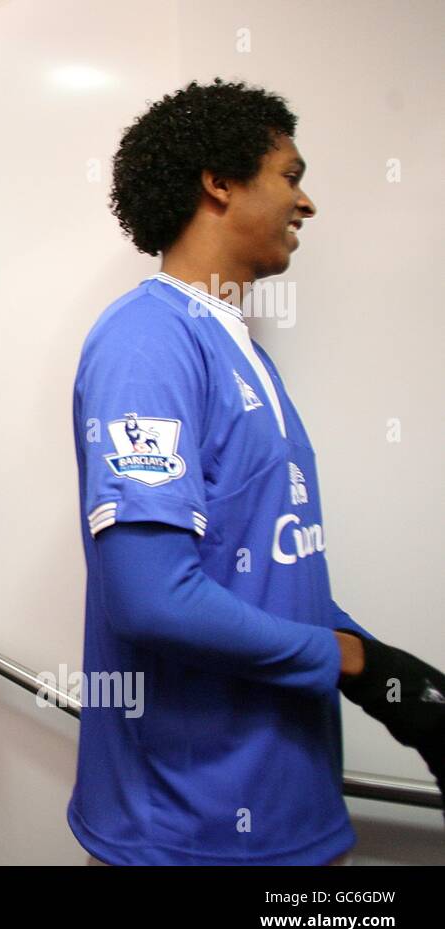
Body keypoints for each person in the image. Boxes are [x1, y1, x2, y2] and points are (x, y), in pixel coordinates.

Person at [70, 78, 444, 865]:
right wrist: (355, 661)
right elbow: (152, 598)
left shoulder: (242, 351)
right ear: (219, 181)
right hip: (190, 832)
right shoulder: (147, 343)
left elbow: (266, 566)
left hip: (290, 813)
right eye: (291, 175)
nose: (307, 204)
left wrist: (394, 678)